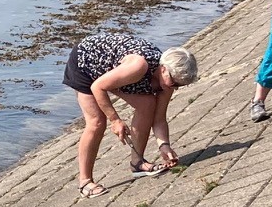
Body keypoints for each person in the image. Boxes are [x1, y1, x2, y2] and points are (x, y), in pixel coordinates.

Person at [62, 33, 199, 197]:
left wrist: (164, 146)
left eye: (180, 85)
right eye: (174, 82)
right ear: (163, 69)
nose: (175, 88)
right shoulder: (138, 66)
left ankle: (137, 163)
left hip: (113, 72)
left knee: (148, 104)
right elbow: (98, 87)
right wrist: (115, 119)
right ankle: (85, 182)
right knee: (97, 122)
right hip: (86, 64)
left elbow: (159, 119)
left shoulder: (167, 81)